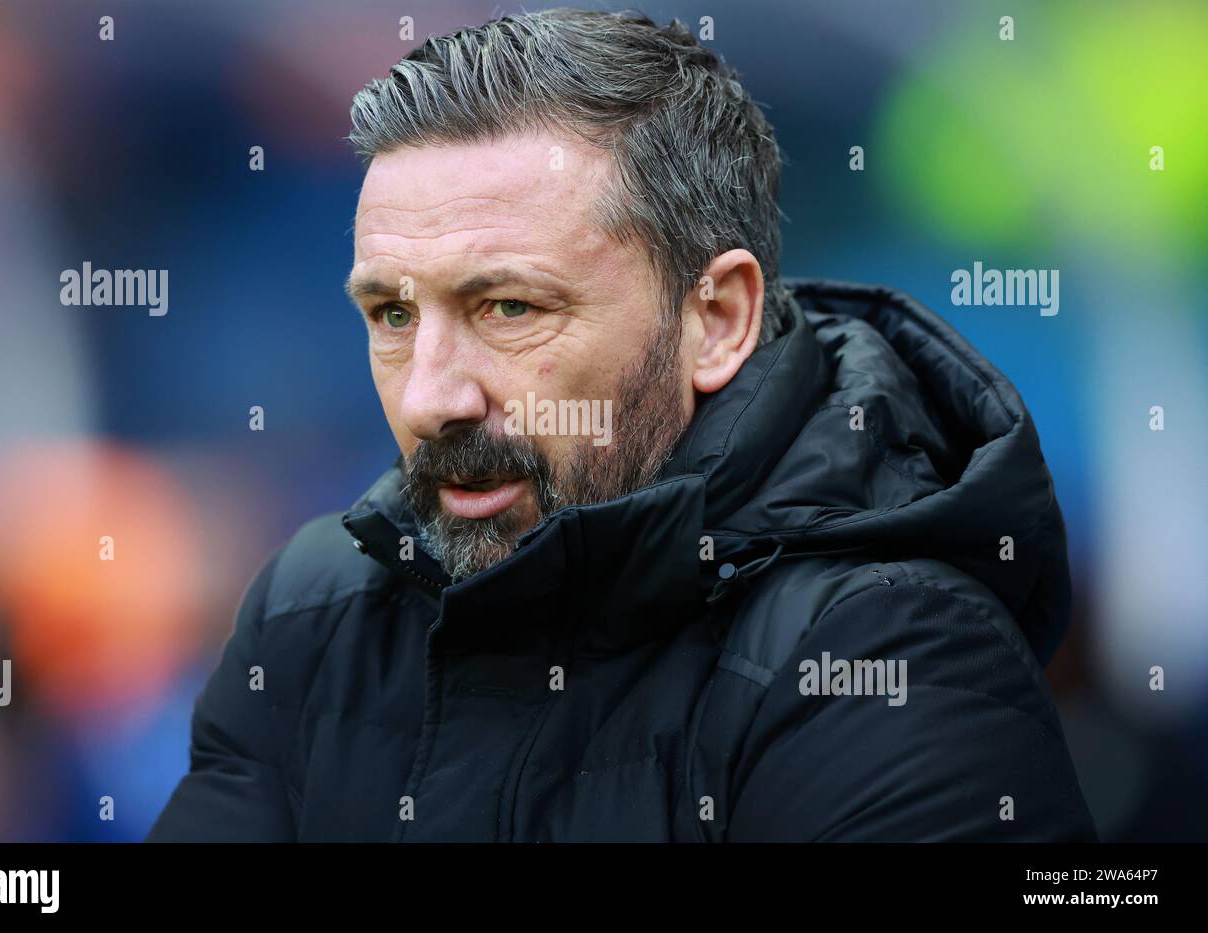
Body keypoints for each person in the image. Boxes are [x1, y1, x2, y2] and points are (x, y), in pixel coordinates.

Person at [148, 8, 1096, 842]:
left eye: (509, 308)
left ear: (715, 319)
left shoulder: (887, 658)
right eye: (393, 315)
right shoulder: (311, 612)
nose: (433, 398)